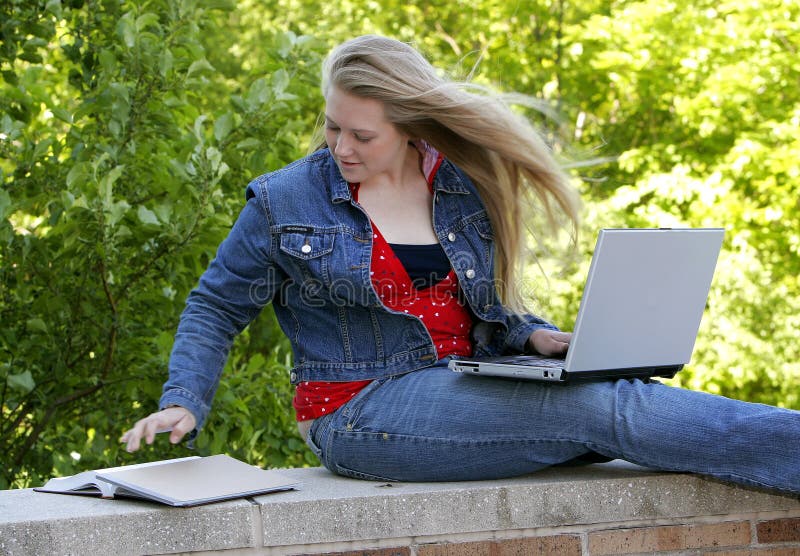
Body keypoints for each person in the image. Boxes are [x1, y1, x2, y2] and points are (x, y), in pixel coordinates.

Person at [121, 35, 800, 494]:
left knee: (624, 403)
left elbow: (483, 310)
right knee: (607, 413)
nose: (341, 146)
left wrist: (533, 337)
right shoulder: (283, 201)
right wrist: (183, 400)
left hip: (466, 386)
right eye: (332, 127)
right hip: (358, 408)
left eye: (362, 134)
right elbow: (214, 306)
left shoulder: (458, 187)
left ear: (411, 126)